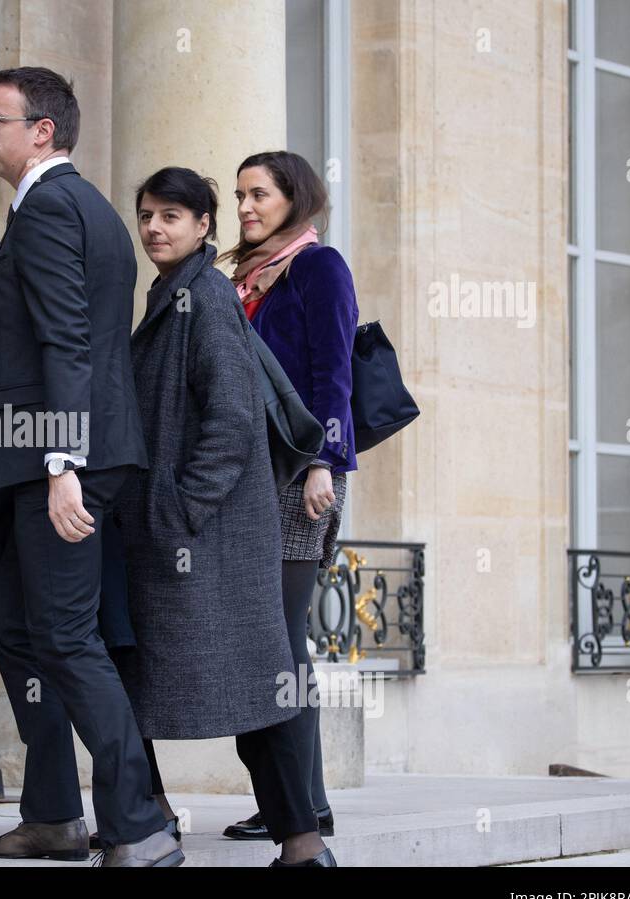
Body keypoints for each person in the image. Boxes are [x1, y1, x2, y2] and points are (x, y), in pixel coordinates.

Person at [0, 67, 181, 867]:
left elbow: (68, 342)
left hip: (62, 457)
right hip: (41, 456)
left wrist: (62, 463)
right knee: (18, 629)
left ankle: (141, 824)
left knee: (64, 635)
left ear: (41, 131)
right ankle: (54, 815)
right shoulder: (81, 205)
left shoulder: (51, 205)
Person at [107, 166, 335, 867]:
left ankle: (296, 844)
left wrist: (180, 510)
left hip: (209, 538)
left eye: (172, 216)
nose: (154, 228)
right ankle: (158, 821)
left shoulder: (203, 297)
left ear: (203, 227)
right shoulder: (175, 293)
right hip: (189, 535)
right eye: (147, 215)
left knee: (251, 693)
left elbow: (233, 419)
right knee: (158, 673)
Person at [216, 150, 358, 846]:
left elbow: (334, 373)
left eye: (260, 195)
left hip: (302, 478)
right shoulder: (246, 277)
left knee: (276, 639)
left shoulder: (317, 267)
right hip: (250, 480)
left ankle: (295, 806)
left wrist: (325, 462)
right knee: (275, 640)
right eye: (240, 195)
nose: (246, 207)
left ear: (294, 198)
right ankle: (306, 801)